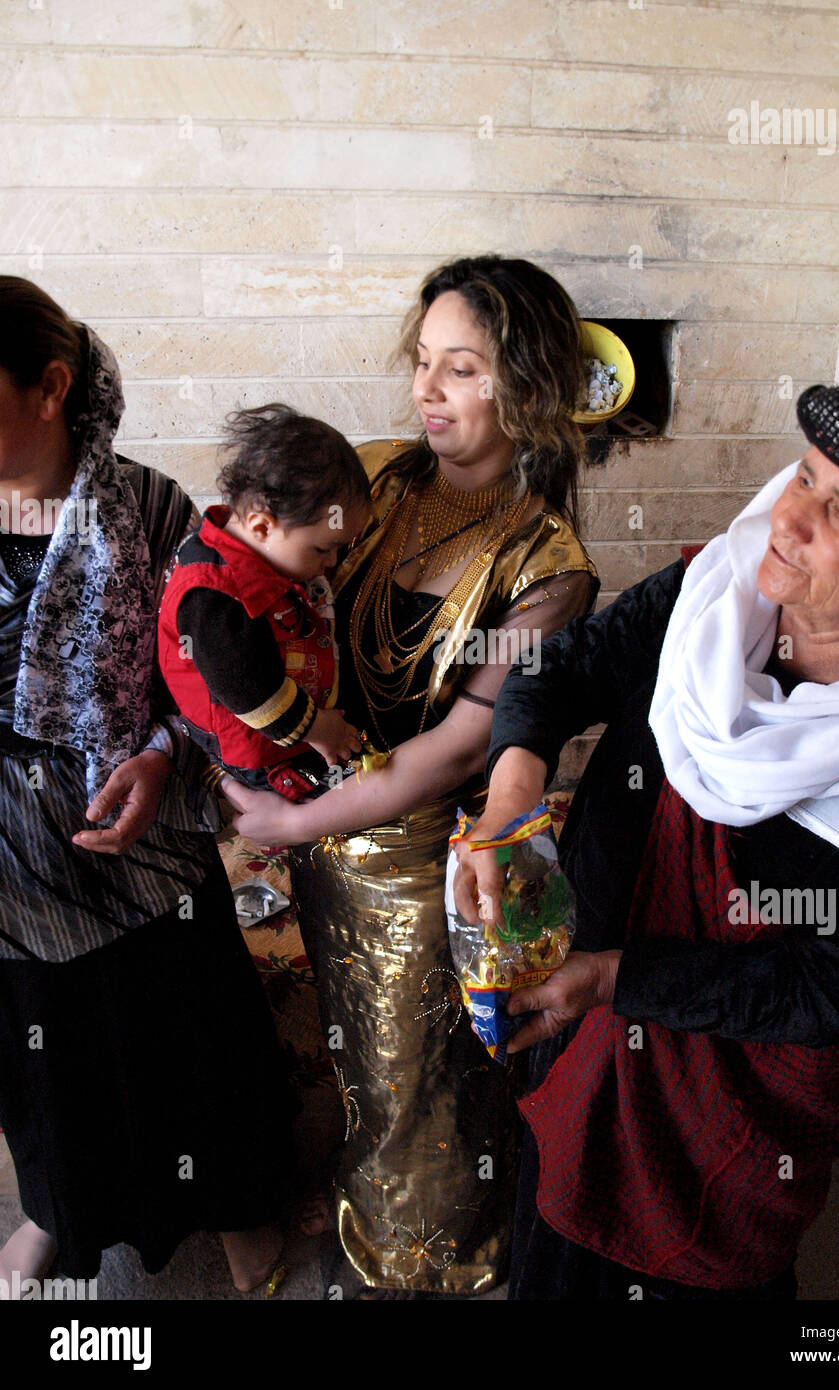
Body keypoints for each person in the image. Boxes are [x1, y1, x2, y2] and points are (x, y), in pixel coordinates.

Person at [454, 368, 839, 1299]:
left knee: (677, 1258)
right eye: (803, 476)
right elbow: (558, 670)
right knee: (552, 1227)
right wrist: (510, 796)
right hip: (592, 1020)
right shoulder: (713, 600)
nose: (788, 517)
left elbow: (831, 994)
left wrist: (620, 979)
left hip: (726, 1104)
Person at [222, 255, 599, 1295]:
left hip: (434, 864)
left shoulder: (546, 564)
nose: (426, 389)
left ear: (523, 388)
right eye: (424, 361)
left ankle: (438, 1261)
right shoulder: (380, 474)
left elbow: (460, 750)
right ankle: (365, 1208)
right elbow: (262, 592)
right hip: (329, 833)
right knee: (367, 1073)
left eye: (462, 368)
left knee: (431, 1088)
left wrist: (294, 825)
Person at [0, 278, 294, 1295]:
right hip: (10, 869)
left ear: (49, 387)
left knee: (190, 1039)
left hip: (138, 829)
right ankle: (55, 1209)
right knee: (43, 1054)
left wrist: (164, 755)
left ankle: (239, 1202)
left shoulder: (152, 509)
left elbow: (201, 688)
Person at [158, 404, 370, 802]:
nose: (331, 562)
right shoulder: (213, 589)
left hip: (297, 710)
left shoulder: (265, 554)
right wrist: (319, 730)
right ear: (261, 525)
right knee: (342, 792)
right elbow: (246, 689)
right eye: (324, 548)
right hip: (256, 744)